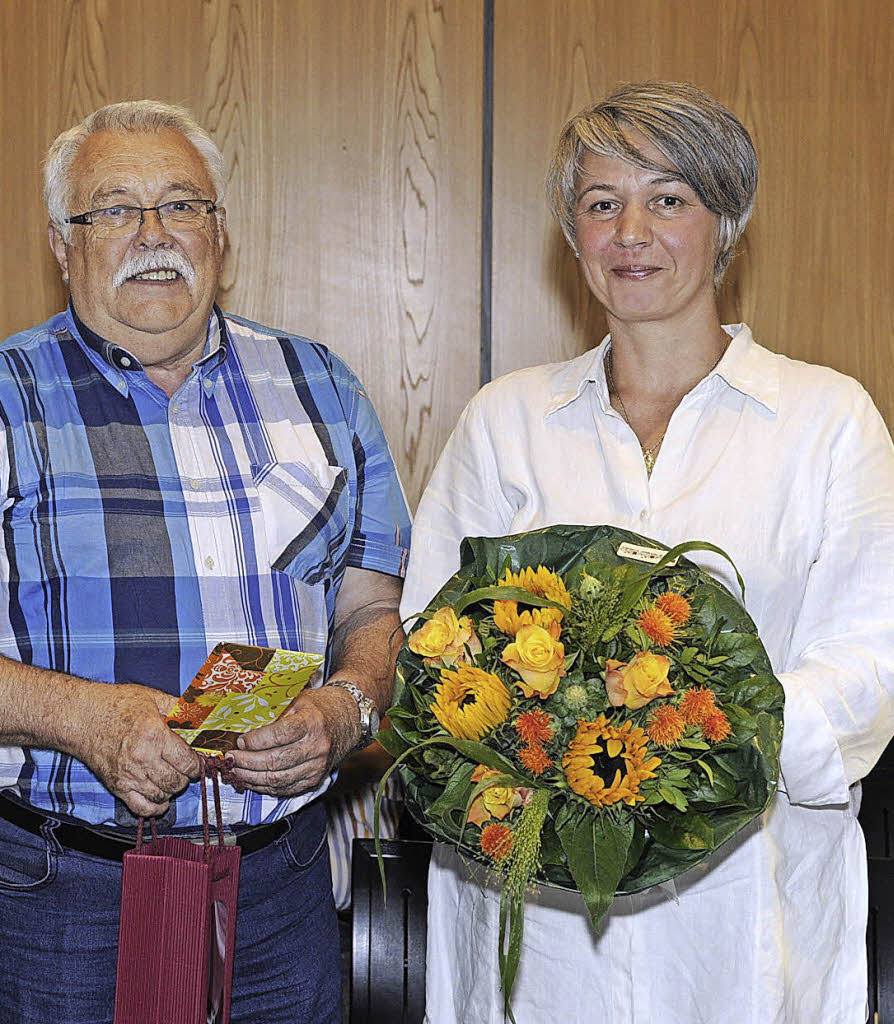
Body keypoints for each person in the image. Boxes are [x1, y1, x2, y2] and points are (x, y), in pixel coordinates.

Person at [400, 81, 894, 1023]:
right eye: (601, 204)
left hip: (747, 904)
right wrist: (540, 749)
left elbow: (873, 657)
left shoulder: (829, 422)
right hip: (532, 918)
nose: (633, 232)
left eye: (668, 199)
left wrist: (686, 749)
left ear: (726, 223)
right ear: (572, 233)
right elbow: (435, 646)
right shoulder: (506, 424)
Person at [0, 100, 410, 1024]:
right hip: (62, 899)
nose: (154, 235)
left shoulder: (321, 386)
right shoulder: (4, 396)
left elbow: (372, 611)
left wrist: (344, 712)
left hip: (282, 890)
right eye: (113, 209)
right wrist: (81, 719)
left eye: (182, 205)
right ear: (64, 245)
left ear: (221, 234)